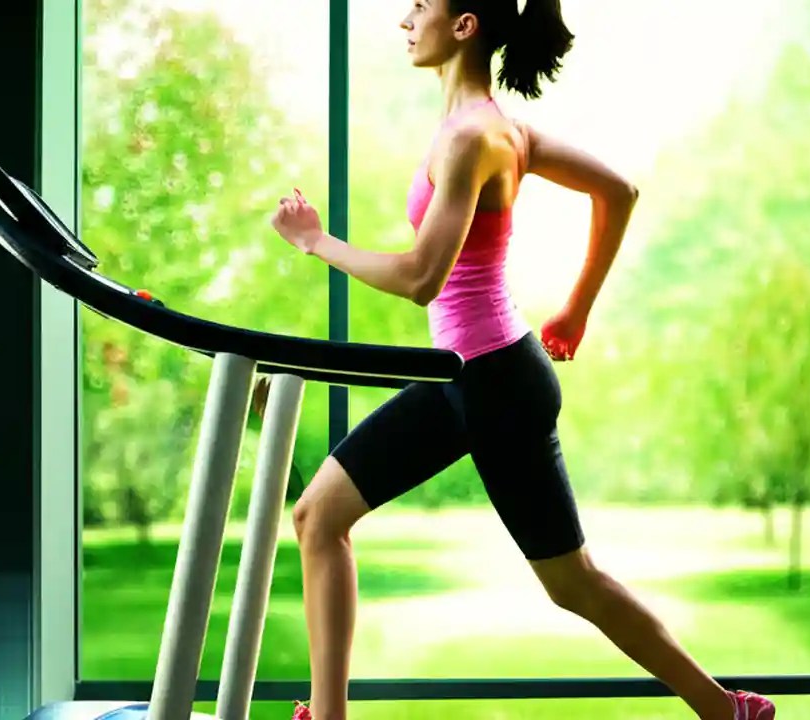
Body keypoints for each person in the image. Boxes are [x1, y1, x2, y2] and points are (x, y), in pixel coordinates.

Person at [265, 1, 776, 719]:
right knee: (319, 515)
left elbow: (421, 278)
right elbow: (618, 191)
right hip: (470, 377)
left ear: (465, 25)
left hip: (495, 384)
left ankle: (726, 711)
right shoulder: (497, 129)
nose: (405, 19)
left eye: (420, 6)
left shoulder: (474, 136)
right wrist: (576, 309)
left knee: (572, 583)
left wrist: (316, 241)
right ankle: (328, 716)